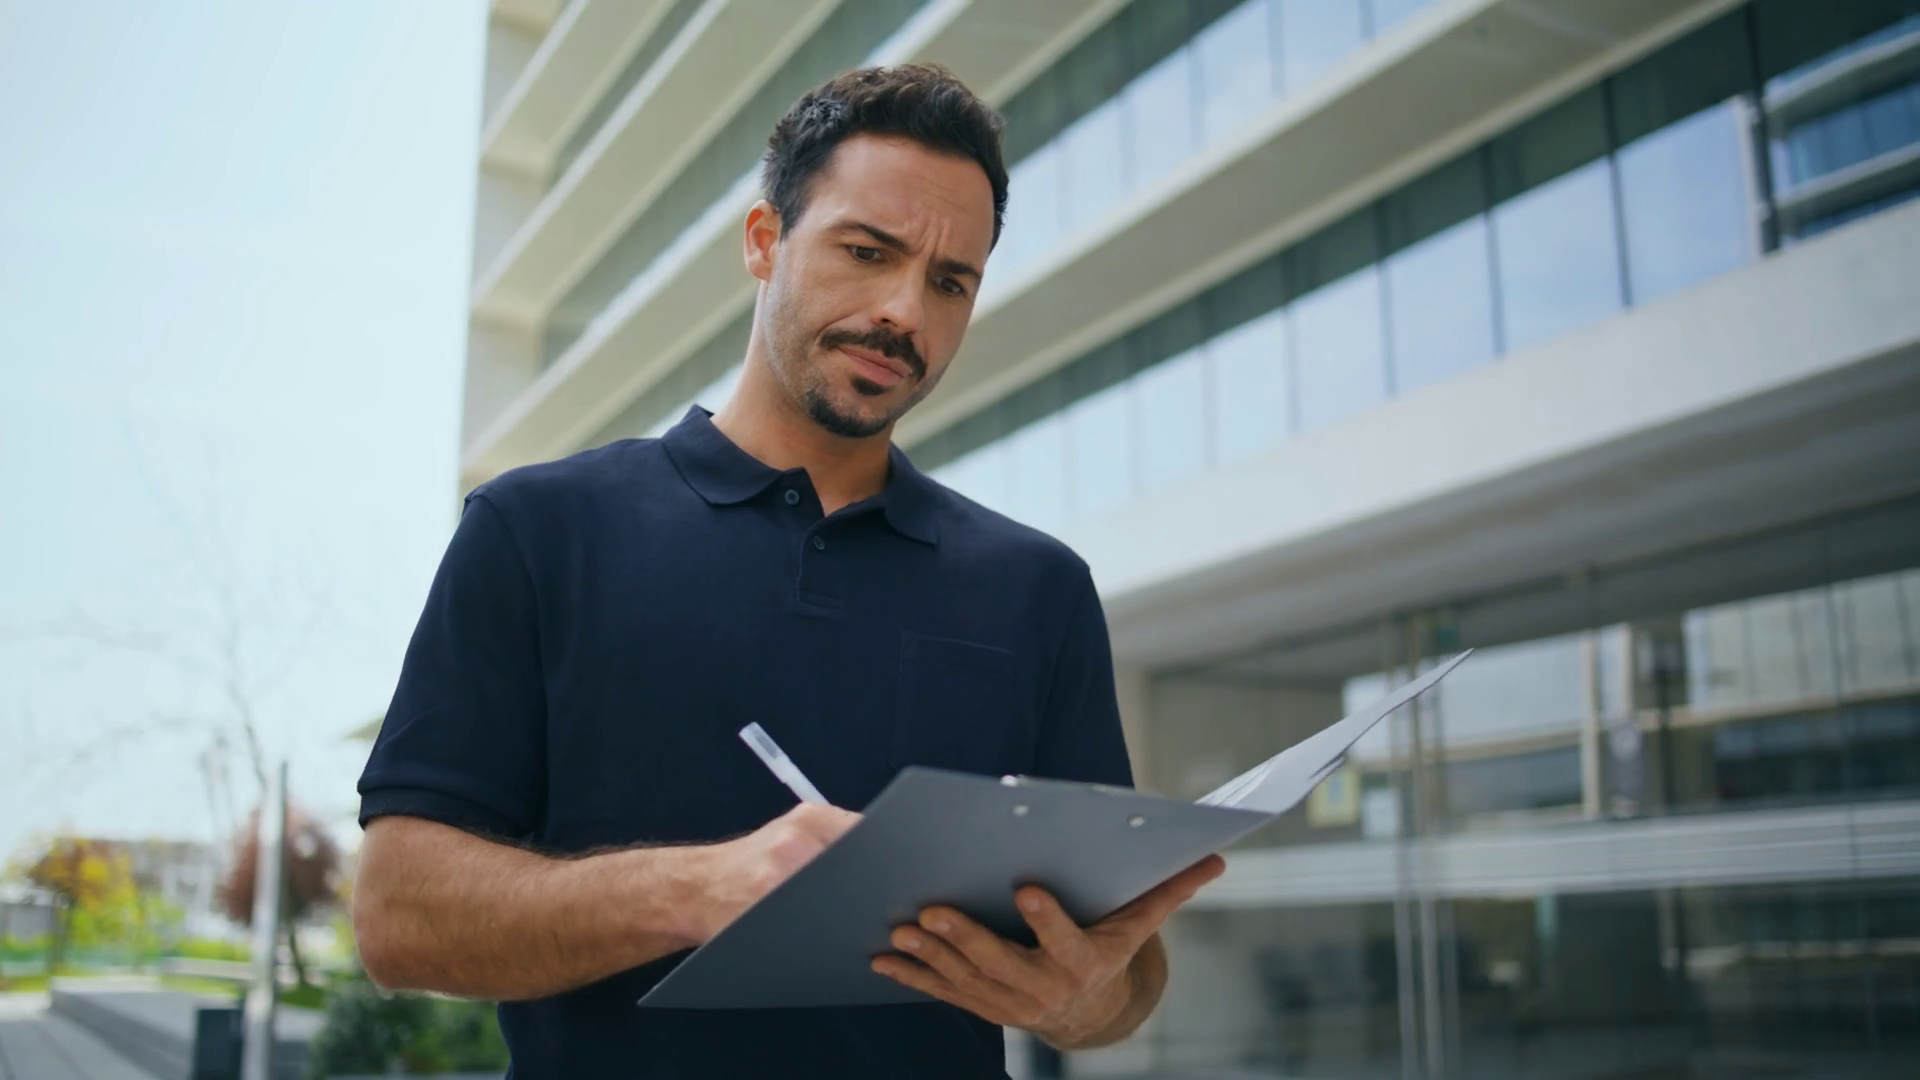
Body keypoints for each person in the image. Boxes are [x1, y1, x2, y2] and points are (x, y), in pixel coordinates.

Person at [351, 64, 1224, 1079]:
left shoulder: (1039, 589)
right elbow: (397, 916)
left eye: (951, 282)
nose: (904, 311)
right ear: (765, 243)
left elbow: (1124, 968)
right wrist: (696, 890)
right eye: (867, 252)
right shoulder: (538, 529)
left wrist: (1083, 999)